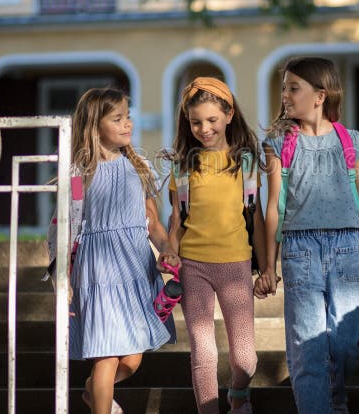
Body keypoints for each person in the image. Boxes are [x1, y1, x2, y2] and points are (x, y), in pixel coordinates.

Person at [255, 57, 359, 414]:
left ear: (320, 95)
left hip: (348, 247)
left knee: (346, 339)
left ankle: (335, 393)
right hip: (300, 250)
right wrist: (268, 265)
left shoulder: (352, 142)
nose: (285, 95)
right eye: (284, 87)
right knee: (308, 348)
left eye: (293, 87)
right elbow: (273, 206)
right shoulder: (278, 143)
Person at [57, 88, 180, 414]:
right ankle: (100, 402)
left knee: (132, 358)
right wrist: (60, 272)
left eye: (128, 116)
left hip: (136, 268)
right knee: (107, 356)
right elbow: (68, 223)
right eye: (118, 118)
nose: (128, 123)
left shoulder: (137, 168)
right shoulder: (80, 173)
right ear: (95, 126)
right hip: (99, 270)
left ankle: (92, 390)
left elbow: (152, 223)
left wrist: (167, 249)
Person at [166, 77, 266, 414]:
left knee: (245, 360)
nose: (204, 128)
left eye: (211, 120)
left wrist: (268, 269)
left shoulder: (247, 164)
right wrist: (169, 250)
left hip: (236, 266)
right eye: (196, 122)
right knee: (204, 354)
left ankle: (239, 393)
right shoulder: (183, 167)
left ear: (229, 114)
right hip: (193, 267)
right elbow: (177, 221)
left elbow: (257, 219)